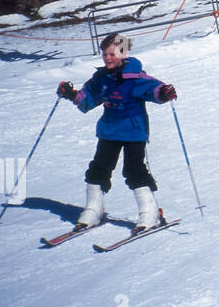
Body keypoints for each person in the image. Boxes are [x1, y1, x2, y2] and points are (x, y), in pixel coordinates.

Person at [56, 32, 176, 232]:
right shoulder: (101, 78)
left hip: (133, 131)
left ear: (123, 53)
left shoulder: (135, 77)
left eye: (112, 54)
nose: (107, 58)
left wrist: (163, 93)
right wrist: (71, 94)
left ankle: (150, 211)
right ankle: (94, 209)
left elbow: (153, 89)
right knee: (99, 168)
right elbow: (87, 98)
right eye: (105, 55)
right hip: (109, 130)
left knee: (133, 170)